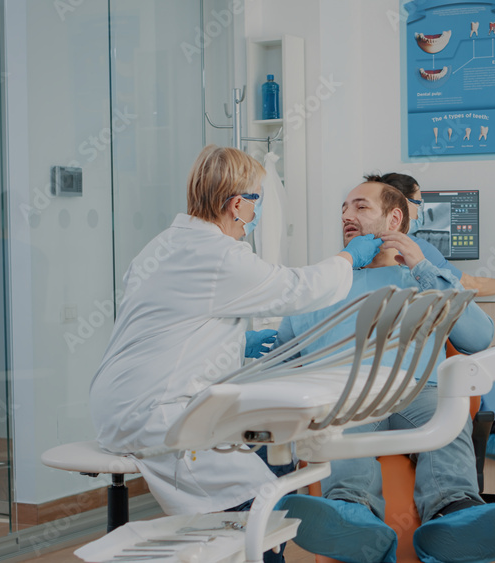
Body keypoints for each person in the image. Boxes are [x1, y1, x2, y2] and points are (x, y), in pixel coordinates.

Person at [87, 145, 383, 562]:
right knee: (257, 509)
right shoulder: (218, 255)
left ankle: (274, 518)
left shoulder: (163, 247)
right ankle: (266, 531)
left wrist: (233, 344)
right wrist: (348, 259)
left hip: (122, 397)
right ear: (237, 204)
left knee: (264, 450)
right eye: (257, 200)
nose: (257, 213)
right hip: (153, 411)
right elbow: (295, 289)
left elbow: (172, 324)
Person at [276, 181, 495, 563]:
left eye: (360, 207)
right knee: (342, 431)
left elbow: (478, 337)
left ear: (394, 218)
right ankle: (352, 520)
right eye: (342, 209)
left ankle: (454, 515)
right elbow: (284, 345)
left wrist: (423, 268)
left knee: (446, 423)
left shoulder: (424, 279)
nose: (346, 217)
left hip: (419, 391)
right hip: (350, 392)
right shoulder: (326, 281)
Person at [379, 172, 495, 297]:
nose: (420, 209)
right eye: (418, 203)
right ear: (403, 204)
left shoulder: (365, 241)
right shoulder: (412, 245)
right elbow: (467, 285)